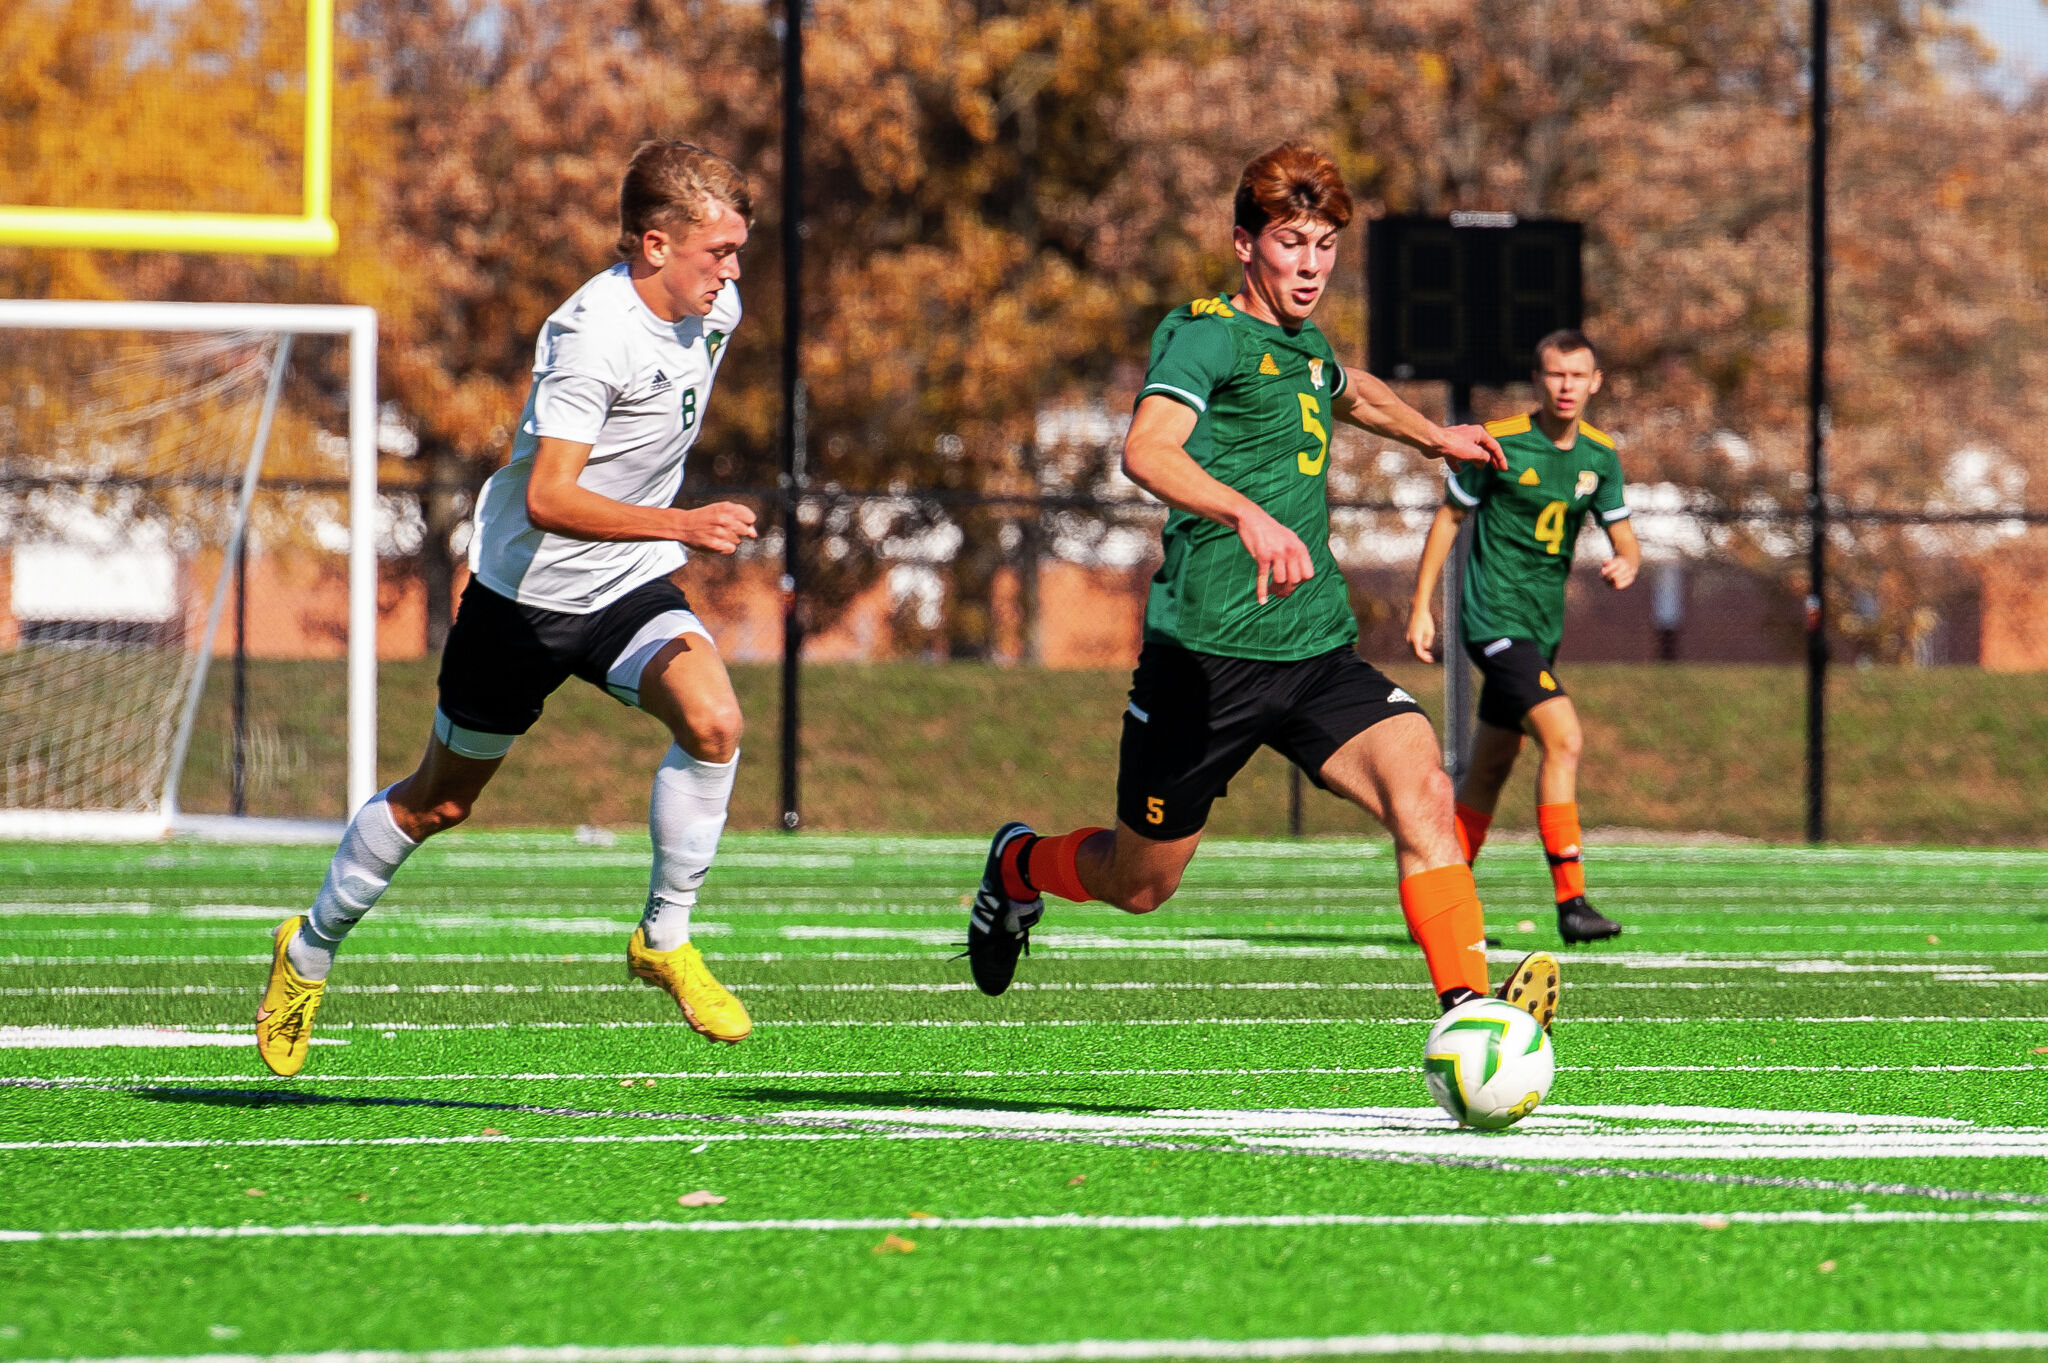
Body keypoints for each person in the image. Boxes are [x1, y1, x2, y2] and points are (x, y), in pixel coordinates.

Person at [965, 143, 1562, 1027]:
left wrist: (1435, 436)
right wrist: (1246, 514)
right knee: (1139, 884)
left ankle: (1468, 1011)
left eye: (1325, 244)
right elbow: (1148, 448)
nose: (1312, 265)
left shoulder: (1303, 340)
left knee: (1426, 789)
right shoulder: (1204, 333)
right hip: (1205, 662)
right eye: (1292, 243)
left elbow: (1345, 387)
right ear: (1245, 243)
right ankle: (1017, 866)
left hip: (1315, 650)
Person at [256, 141, 760, 1076]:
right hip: (526, 597)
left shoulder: (714, 307)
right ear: (653, 245)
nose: (732, 273)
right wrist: (682, 519)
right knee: (438, 801)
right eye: (717, 252)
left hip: (626, 581)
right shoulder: (589, 337)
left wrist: (660, 536)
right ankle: (310, 946)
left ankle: (664, 937)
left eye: (737, 251)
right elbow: (549, 499)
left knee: (715, 720)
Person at [1404, 330, 1640, 945]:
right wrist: (1422, 604)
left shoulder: (1600, 456)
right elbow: (1450, 517)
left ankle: (1441, 899)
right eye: (1554, 375)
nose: (1565, 386)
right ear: (1537, 382)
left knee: (1488, 769)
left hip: (1542, 628)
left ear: (1596, 382)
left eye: (1577, 375)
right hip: (1495, 621)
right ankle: (1571, 902)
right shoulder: (1500, 443)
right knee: (1564, 738)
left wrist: (1627, 561)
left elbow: (1625, 536)